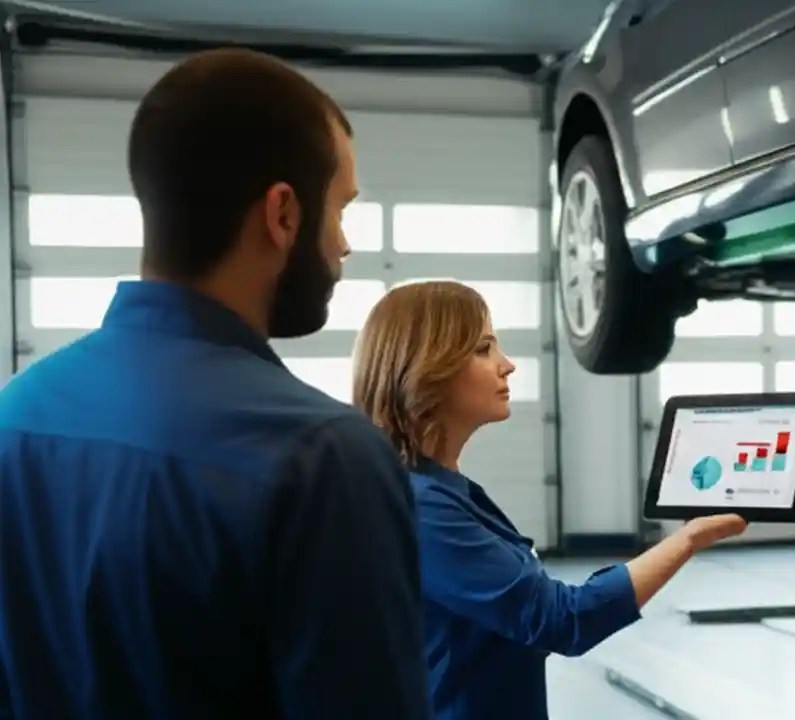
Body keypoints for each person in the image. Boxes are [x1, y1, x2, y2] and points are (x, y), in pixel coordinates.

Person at [0, 49, 430, 719]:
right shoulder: (323, 457)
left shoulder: (14, 419)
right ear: (282, 214)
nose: (344, 244)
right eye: (340, 209)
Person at [352, 280, 749, 720]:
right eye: (484, 348)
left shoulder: (443, 490)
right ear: (430, 368)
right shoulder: (422, 508)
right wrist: (688, 539)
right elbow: (560, 620)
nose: (507, 366)